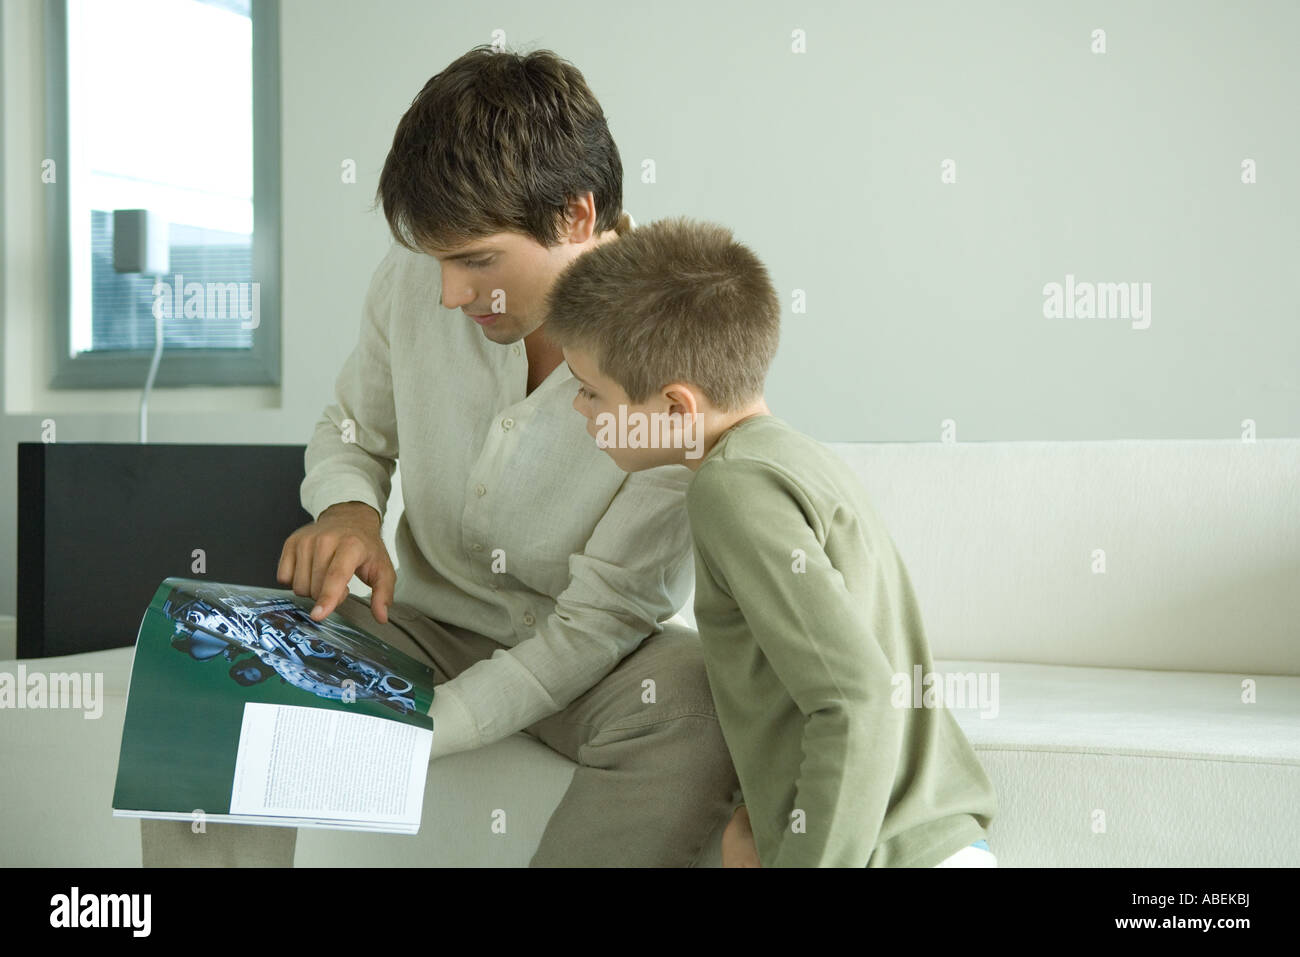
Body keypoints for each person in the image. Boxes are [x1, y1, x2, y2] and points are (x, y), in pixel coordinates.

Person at [139, 47, 740, 868]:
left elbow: (595, 625)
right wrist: (348, 506)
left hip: (598, 652)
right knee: (218, 657)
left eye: (478, 261)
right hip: (419, 626)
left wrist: (424, 730)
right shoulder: (418, 278)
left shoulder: (680, 365)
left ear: (574, 215)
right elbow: (353, 427)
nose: (450, 293)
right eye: (439, 259)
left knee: (699, 702)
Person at [541, 215, 1000, 867]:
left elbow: (856, 695)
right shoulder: (786, 458)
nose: (579, 408)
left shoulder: (730, 491)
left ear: (676, 409)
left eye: (591, 390)